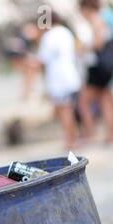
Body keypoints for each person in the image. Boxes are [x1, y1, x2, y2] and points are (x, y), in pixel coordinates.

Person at [37, 13, 81, 149]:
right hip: (71, 74)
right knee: (69, 109)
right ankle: (73, 138)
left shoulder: (48, 37)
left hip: (59, 79)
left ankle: (71, 140)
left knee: (64, 110)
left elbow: (42, 59)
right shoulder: (66, 32)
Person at [79, 0, 113, 143]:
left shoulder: (97, 19)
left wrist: (83, 48)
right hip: (105, 67)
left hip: (99, 67)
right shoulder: (104, 17)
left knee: (85, 100)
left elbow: (98, 43)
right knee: (107, 99)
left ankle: (90, 134)